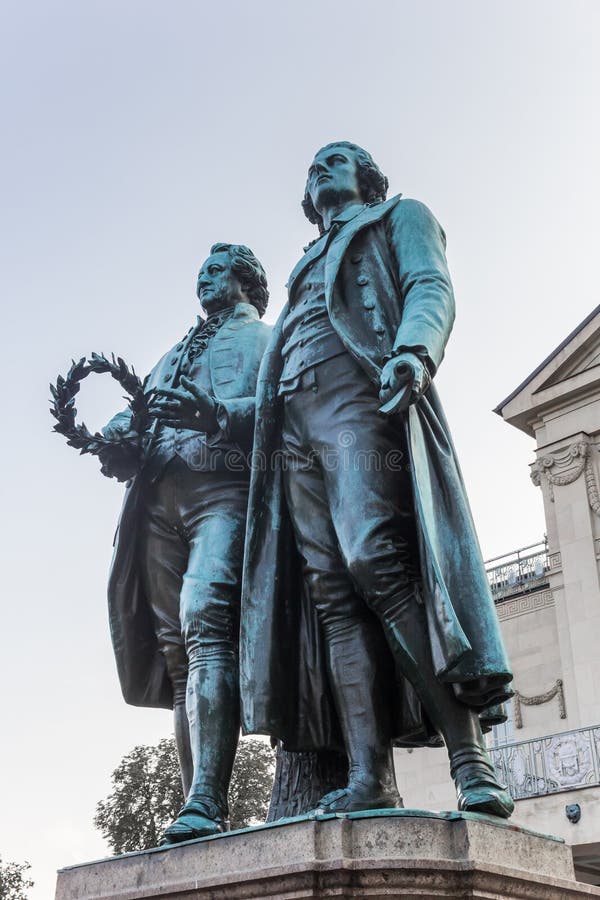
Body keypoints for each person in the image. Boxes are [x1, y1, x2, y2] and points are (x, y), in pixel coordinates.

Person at [240, 142, 514, 817]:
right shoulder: (301, 265)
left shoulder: (400, 215)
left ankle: (471, 760)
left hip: (359, 398)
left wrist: (415, 350)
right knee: (332, 594)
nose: (319, 169)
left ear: (365, 175)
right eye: (311, 167)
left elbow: (430, 286)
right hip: (292, 429)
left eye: (335, 159)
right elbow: (273, 366)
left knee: (376, 560)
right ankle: (370, 777)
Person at [104, 243, 271, 842]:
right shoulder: (172, 353)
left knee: (205, 622)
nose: (204, 278)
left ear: (246, 281)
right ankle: (194, 803)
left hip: (221, 491)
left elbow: (283, 409)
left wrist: (219, 415)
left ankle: (207, 798)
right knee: (178, 656)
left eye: (217, 270)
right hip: (156, 504)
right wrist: (117, 439)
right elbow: (141, 419)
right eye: (200, 271)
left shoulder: (265, 339)